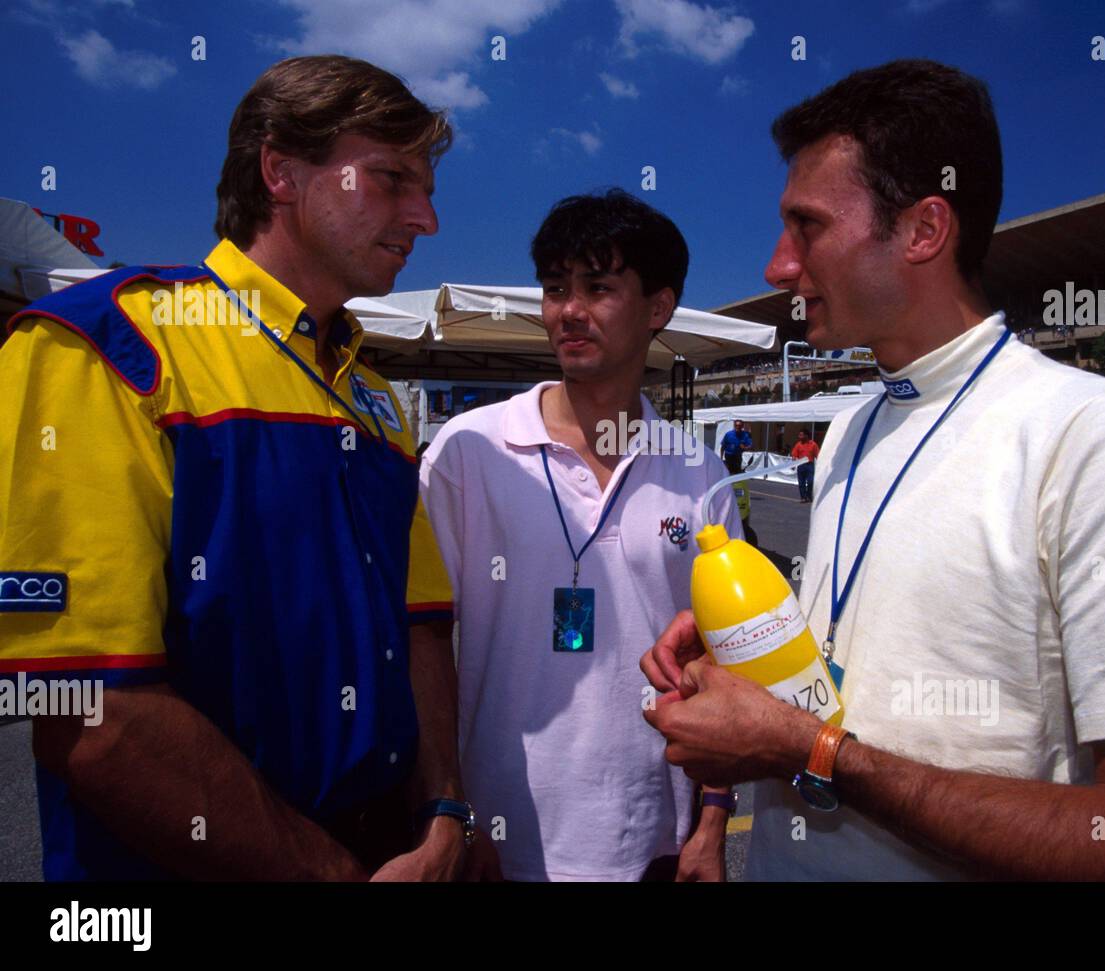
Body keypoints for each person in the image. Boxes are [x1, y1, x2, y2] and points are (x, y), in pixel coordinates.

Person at [641, 59, 1105, 880]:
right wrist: (753, 657)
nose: (777, 267)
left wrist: (815, 751)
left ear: (924, 229)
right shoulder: (850, 431)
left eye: (806, 227)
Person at [0, 55, 469, 881]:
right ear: (279, 171)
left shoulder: (377, 398)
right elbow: (85, 709)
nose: (425, 217)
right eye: (393, 179)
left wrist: (445, 812)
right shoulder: (107, 343)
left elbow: (421, 623)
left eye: (426, 187)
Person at [419, 189, 742, 881]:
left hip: (652, 836)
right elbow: (420, 645)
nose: (568, 310)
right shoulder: (467, 451)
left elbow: (728, 656)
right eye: (555, 288)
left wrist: (712, 822)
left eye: (598, 287)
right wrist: (448, 809)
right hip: (499, 839)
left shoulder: (699, 471)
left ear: (658, 307)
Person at [790, 429, 820, 502]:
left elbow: (818, 456)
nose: (799, 436)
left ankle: (809, 496)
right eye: (799, 435)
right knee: (801, 483)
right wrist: (793, 464)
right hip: (801, 465)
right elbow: (794, 455)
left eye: (801, 435)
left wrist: (820, 465)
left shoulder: (813, 444)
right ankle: (803, 497)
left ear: (806, 436)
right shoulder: (798, 444)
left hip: (809, 465)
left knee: (810, 481)